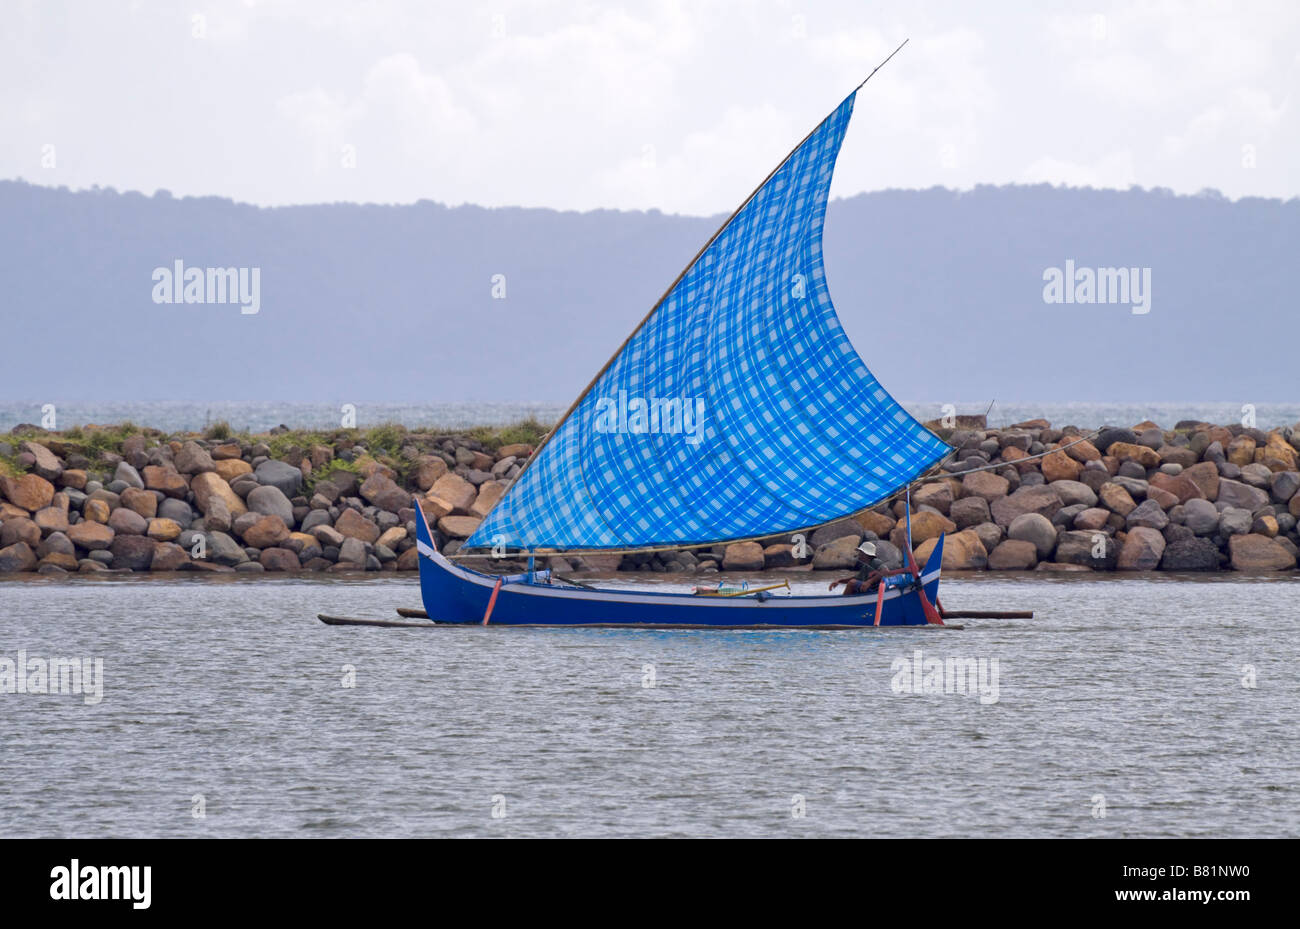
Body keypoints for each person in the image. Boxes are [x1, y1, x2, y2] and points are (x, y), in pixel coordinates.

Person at [828, 541, 912, 595]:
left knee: (852, 583)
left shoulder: (875, 562)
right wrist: (839, 581)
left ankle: (843, 603)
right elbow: (855, 578)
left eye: (861, 552)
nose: (859, 555)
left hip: (874, 591)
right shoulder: (865, 566)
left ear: (866, 554)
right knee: (853, 582)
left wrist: (869, 582)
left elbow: (885, 571)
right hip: (868, 591)